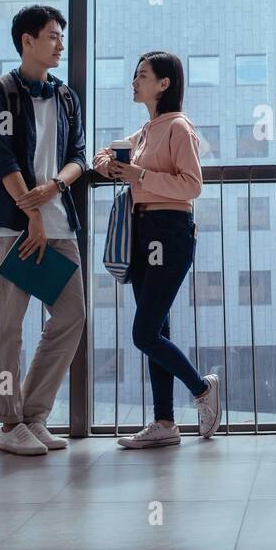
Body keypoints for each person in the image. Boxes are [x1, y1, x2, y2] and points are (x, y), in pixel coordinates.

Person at [93, 51, 220, 449]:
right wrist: (109, 167)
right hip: (143, 229)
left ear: (164, 83)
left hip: (170, 230)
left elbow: (191, 185)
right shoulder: (146, 131)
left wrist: (139, 174)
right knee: (157, 328)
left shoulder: (178, 128)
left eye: (142, 76)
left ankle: (202, 389)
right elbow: (103, 155)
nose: (134, 82)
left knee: (145, 332)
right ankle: (164, 422)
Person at [0, 5, 89, 456]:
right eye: (51, 36)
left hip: (59, 222)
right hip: (12, 226)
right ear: (26, 40)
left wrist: (55, 186)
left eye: (60, 36)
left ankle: (34, 414)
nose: (60, 43)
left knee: (71, 315)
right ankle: (9, 425)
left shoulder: (65, 97)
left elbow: (79, 155)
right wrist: (33, 217)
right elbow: (2, 160)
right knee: (9, 323)